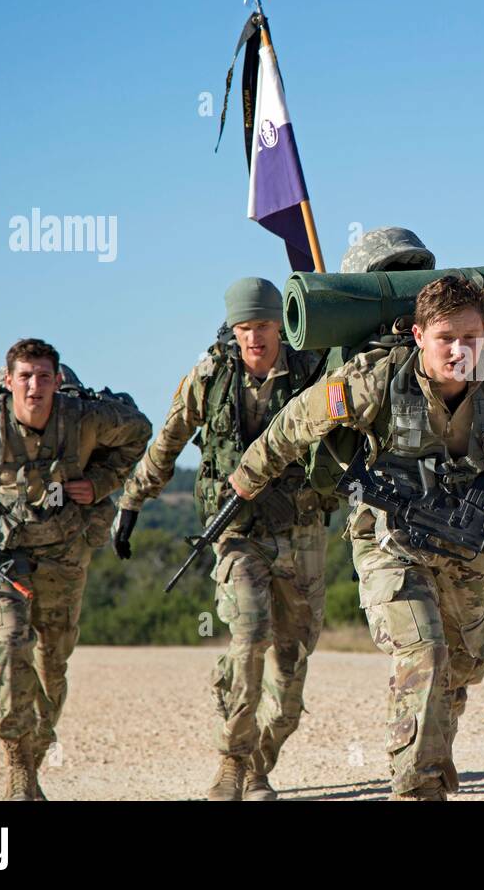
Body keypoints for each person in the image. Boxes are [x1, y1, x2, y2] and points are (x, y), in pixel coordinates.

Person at [229, 275, 484, 799]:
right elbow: (295, 423)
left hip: (470, 544)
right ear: (419, 334)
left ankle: (433, 749)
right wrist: (247, 477)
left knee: (465, 663)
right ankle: (416, 783)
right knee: (423, 652)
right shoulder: (375, 378)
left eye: (470, 338)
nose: (458, 350)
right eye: (445, 337)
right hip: (391, 541)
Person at [115, 278, 327, 800]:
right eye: (245, 327)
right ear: (233, 329)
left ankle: (260, 762)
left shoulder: (312, 373)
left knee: (292, 667)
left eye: (263, 325)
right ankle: (232, 764)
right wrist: (132, 501)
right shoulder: (210, 376)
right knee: (248, 638)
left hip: (299, 533)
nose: (254, 337)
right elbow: (168, 441)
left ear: (281, 324)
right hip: (235, 534)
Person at [0, 338, 151, 799]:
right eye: (25, 377)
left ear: (57, 380)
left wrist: (102, 482)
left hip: (64, 553)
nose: (35, 386)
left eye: (44, 377)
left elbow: (140, 432)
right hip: (1, 556)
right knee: (8, 649)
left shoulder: (83, 418)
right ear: (8, 382)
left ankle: (36, 756)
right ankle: (18, 771)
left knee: (52, 665)